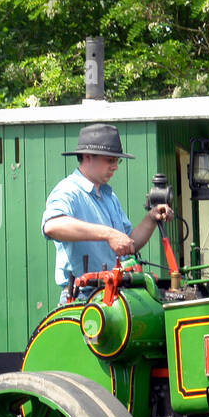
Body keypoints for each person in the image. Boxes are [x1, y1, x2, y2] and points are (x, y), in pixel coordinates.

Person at [42, 123, 173, 304]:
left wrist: (151, 218)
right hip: (82, 296)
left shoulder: (109, 196)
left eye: (116, 161)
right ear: (88, 157)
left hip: (113, 293)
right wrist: (108, 234)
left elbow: (128, 243)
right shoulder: (68, 190)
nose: (115, 167)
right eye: (110, 160)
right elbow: (52, 226)